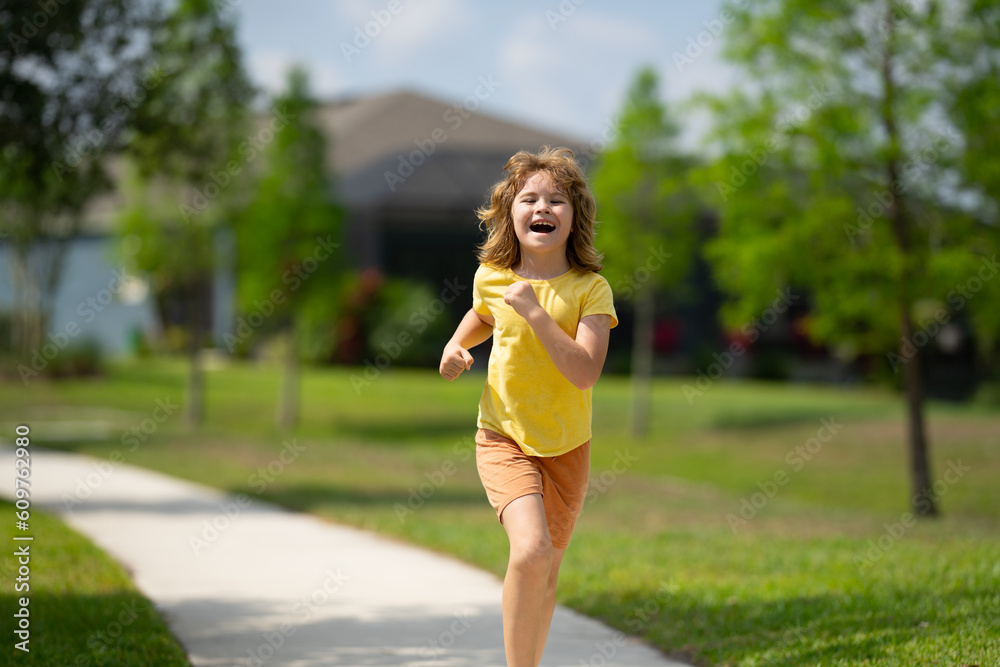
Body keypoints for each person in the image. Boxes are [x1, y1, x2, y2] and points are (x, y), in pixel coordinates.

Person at [439, 146, 617, 667]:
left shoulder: (591, 290)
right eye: (530, 198)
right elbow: (482, 314)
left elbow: (585, 371)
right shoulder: (492, 276)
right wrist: (456, 345)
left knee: (547, 569)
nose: (543, 207)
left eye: (557, 200)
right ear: (509, 213)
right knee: (532, 551)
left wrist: (537, 314)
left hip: (567, 445)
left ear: (575, 217)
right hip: (503, 436)